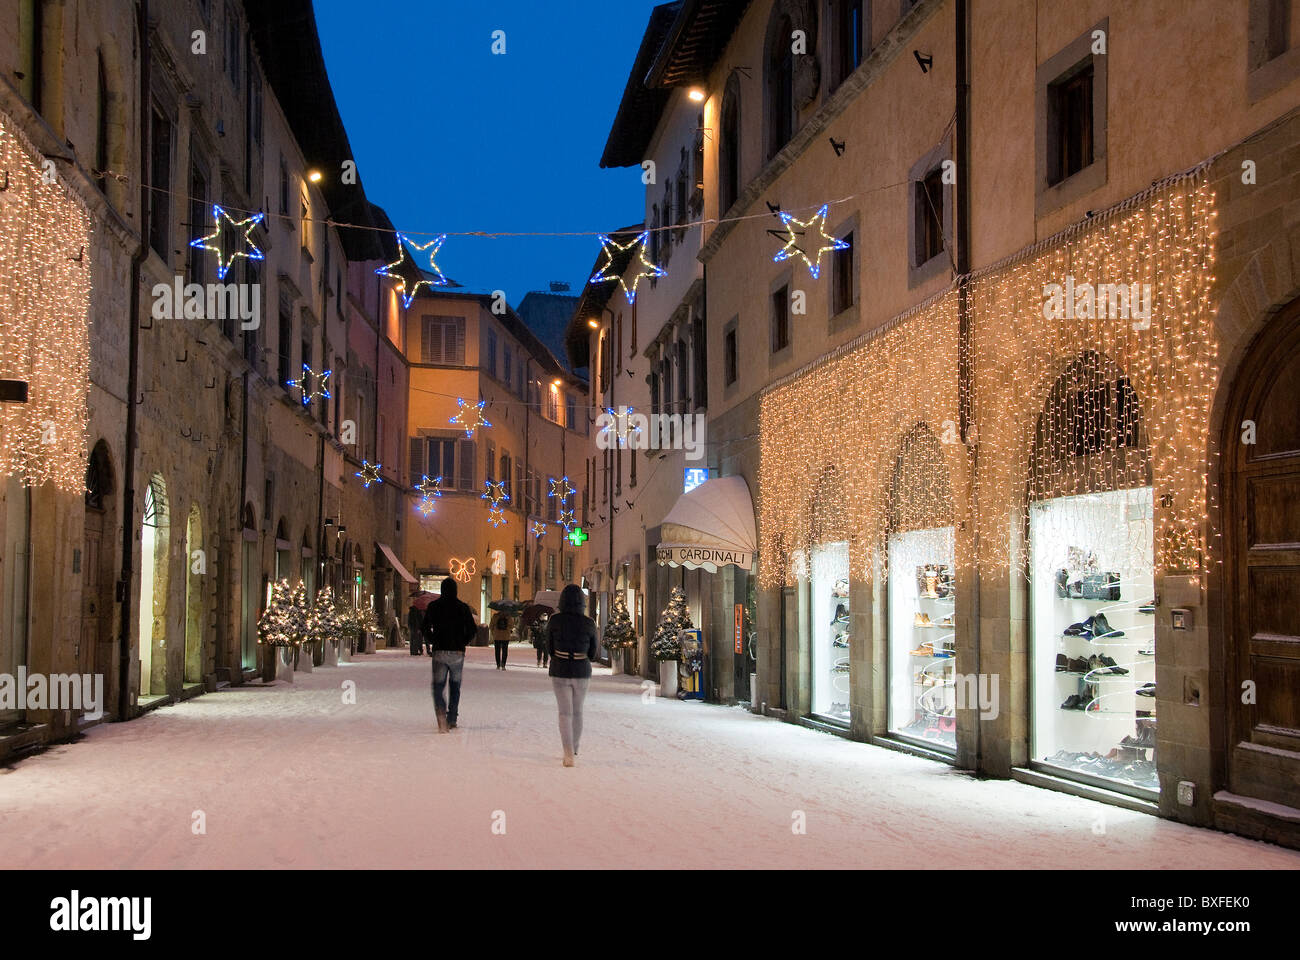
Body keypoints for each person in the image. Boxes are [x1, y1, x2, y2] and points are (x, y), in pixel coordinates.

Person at [546, 584, 597, 767]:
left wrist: (557, 656)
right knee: (577, 711)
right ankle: (575, 747)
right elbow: (593, 651)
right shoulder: (589, 622)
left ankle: (567, 752)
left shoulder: (555, 620)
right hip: (581, 669)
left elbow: (549, 647)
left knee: (564, 713)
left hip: (560, 668)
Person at [422, 577, 477, 732]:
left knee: (438, 686)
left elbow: (424, 627)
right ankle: (452, 718)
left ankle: (440, 710)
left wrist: (433, 640)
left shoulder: (434, 606)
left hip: (440, 650)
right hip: (457, 652)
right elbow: (472, 629)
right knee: (455, 685)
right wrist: (463, 642)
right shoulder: (463, 607)